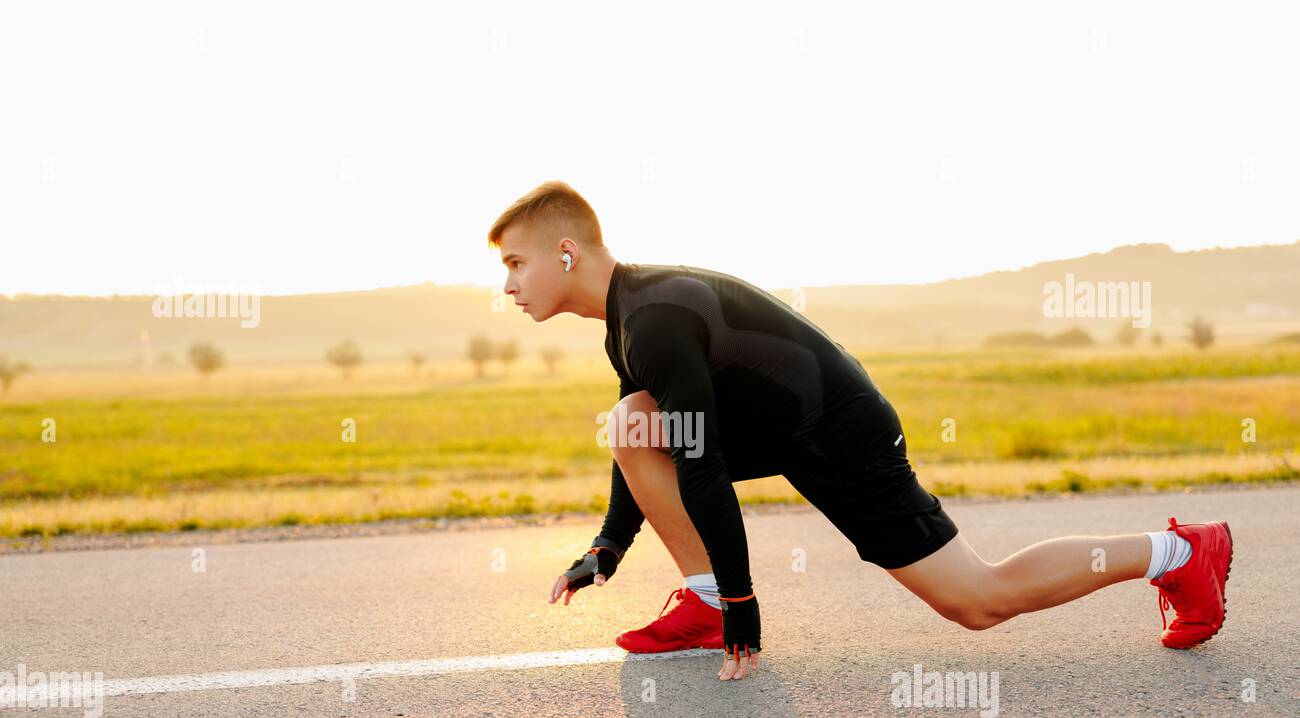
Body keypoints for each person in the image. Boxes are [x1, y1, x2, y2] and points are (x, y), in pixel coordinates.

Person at [487, 181, 1234, 682]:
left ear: (567, 252)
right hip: (785, 431)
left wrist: (748, 603)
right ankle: (704, 598)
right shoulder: (627, 323)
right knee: (633, 418)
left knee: (978, 599)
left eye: (516, 263)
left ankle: (1180, 551)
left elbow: (703, 465)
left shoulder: (654, 318)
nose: (509, 286)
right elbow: (642, 445)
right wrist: (606, 549)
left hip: (842, 436)